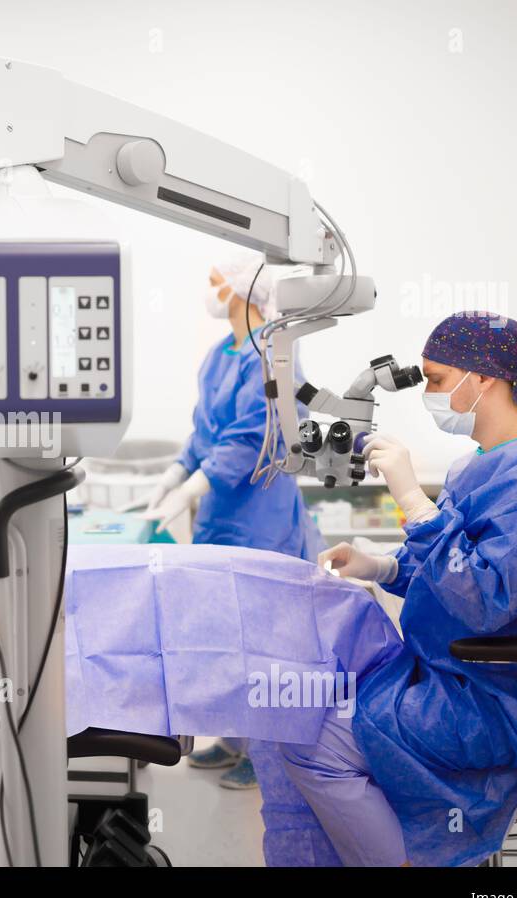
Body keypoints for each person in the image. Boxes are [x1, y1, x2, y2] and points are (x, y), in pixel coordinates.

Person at [285, 310, 517, 866]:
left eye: (438, 379)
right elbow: (463, 569)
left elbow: (483, 596)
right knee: (320, 705)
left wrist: (415, 503)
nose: (429, 393)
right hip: (486, 674)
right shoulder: (504, 456)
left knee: (311, 742)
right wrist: (382, 568)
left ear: (485, 379)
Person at [143, 255, 322, 788]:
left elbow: (254, 435)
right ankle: (234, 737)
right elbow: (206, 431)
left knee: (266, 637)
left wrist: (199, 483)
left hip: (260, 514)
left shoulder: (272, 351)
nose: (209, 287)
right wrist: (177, 472)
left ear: (244, 288)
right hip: (221, 516)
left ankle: (268, 754)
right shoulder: (221, 354)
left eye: (215, 278)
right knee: (225, 632)